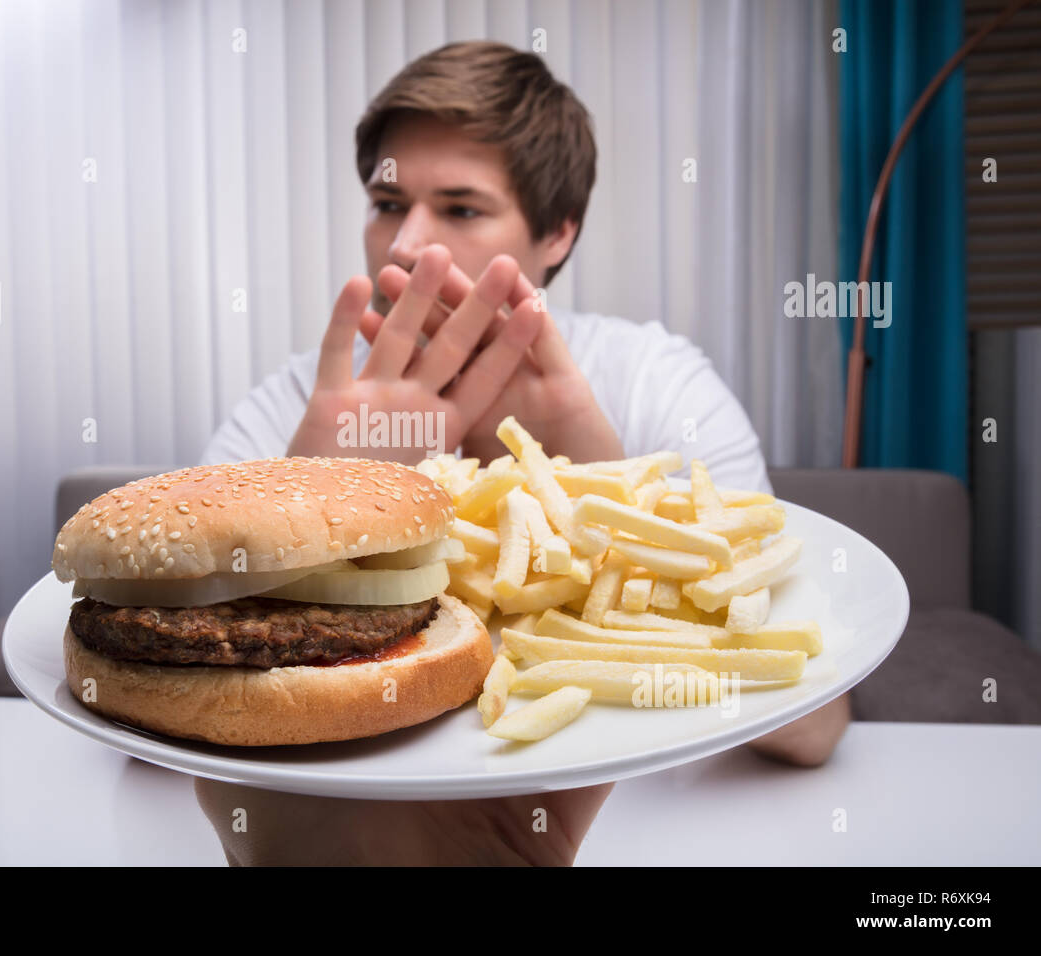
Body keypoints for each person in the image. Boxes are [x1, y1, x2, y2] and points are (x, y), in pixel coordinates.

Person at [195, 41, 850, 865]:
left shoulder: (656, 384)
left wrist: (603, 497)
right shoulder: (301, 407)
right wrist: (314, 501)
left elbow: (817, 729)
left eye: (461, 209)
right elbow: (147, 721)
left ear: (558, 232)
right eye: (388, 202)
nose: (406, 246)